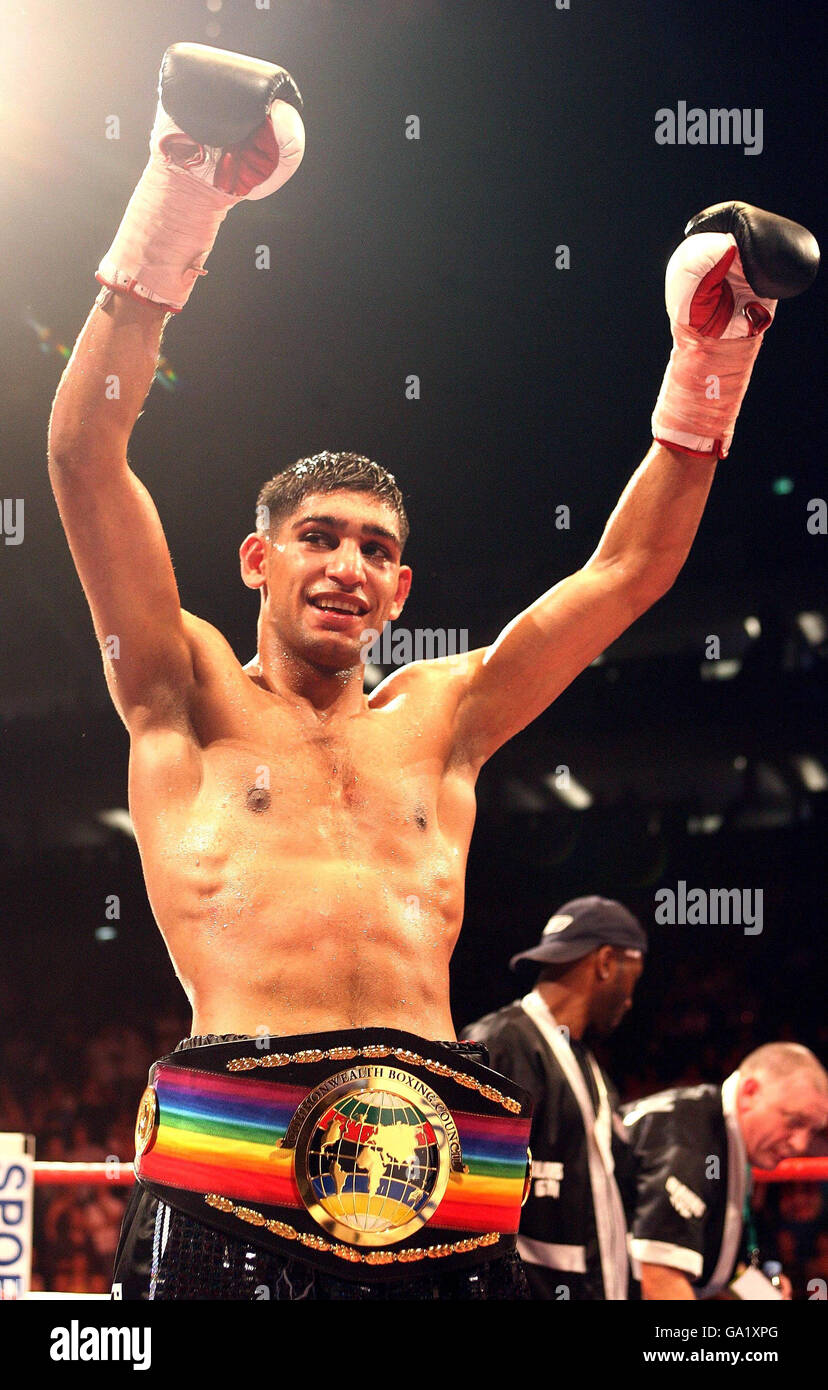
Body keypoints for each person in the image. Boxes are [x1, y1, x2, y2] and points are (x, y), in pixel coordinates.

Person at [46, 41, 818, 1300]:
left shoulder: (445, 719)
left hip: (441, 1186)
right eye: (320, 538)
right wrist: (183, 194)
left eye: (378, 550)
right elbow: (84, 457)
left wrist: (712, 355)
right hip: (234, 1170)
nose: (349, 566)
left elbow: (625, 576)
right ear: (256, 558)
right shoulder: (181, 689)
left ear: (404, 590)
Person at [464, 897, 646, 1299]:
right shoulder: (501, 1042)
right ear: (606, 963)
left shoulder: (585, 1064)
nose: (631, 999)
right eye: (635, 977)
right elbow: (466, 1205)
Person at [621, 1043, 828, 1299]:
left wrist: (763, 1295)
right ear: (750, 1093)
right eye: (795, 1122)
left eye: (812, 1130)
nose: (801, 1144)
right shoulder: (688, 1139)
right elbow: (659, 1278)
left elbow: (718, 1269)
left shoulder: (727, 1142)